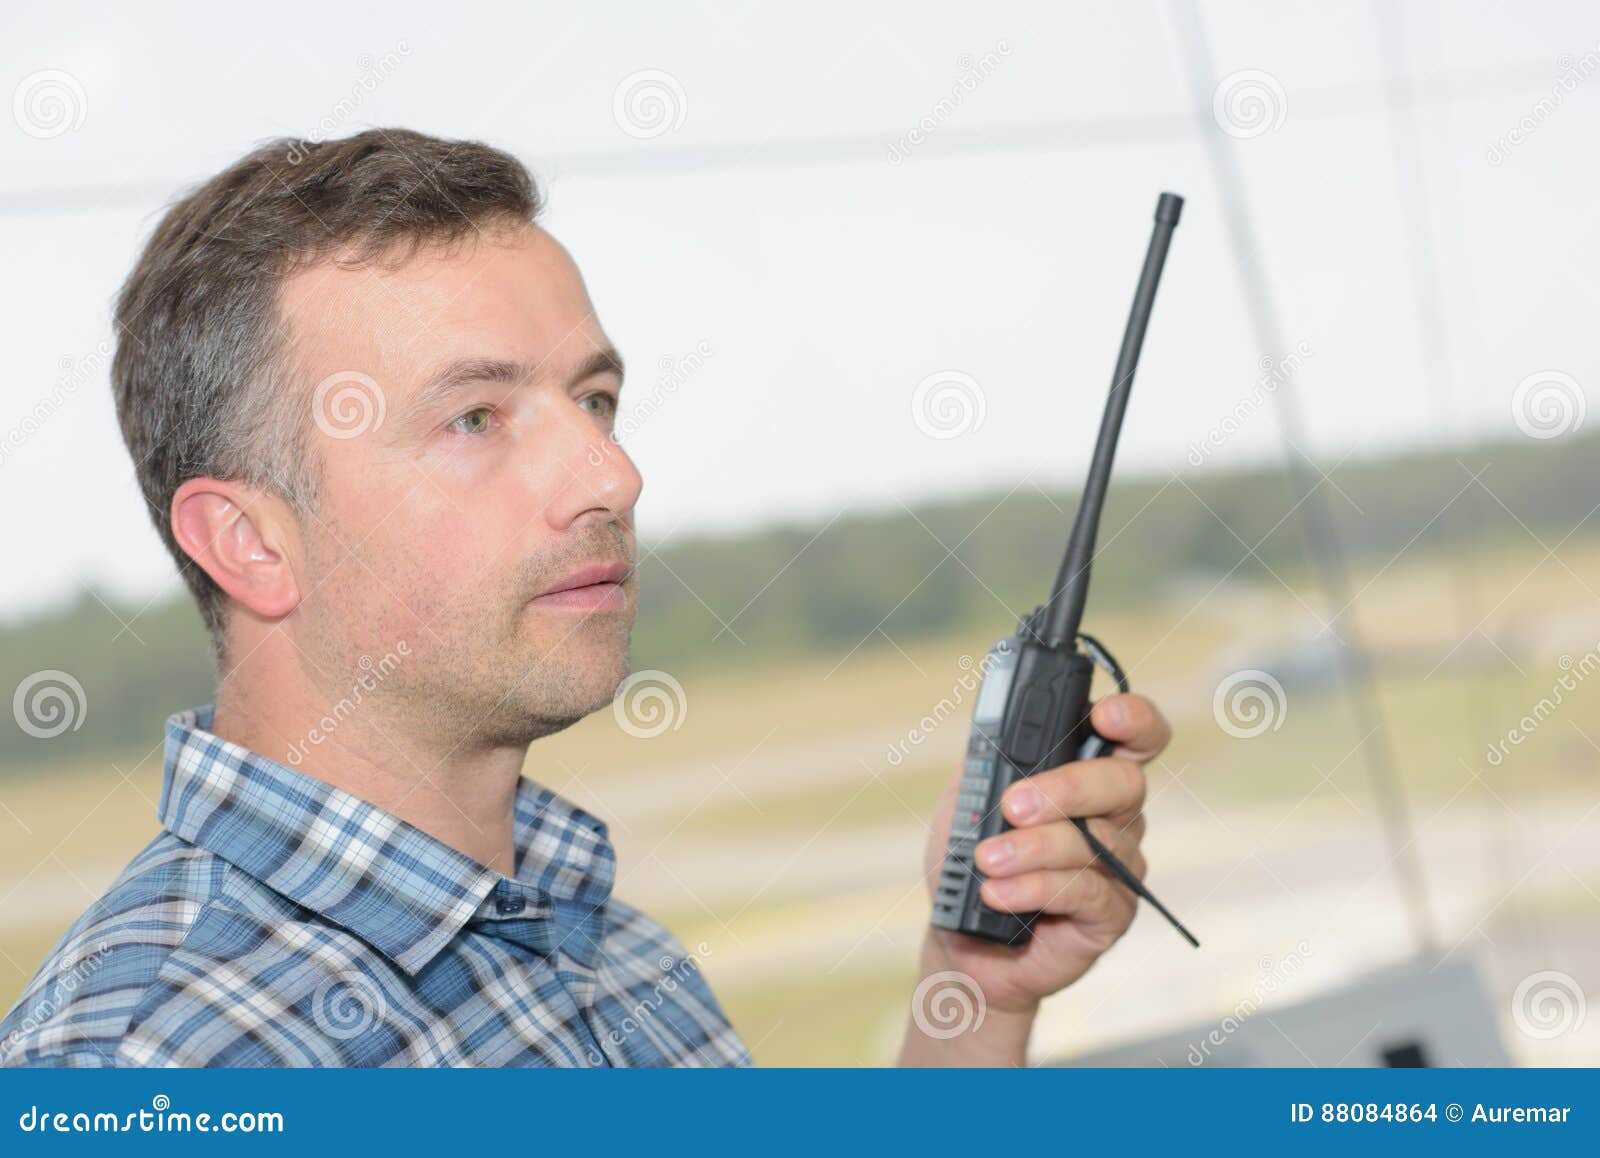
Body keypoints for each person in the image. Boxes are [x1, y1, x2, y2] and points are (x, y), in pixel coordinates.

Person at [0, 129, 1168, 1068]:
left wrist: (973, 992)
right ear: (250, 544)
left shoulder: (604, 949)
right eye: (474, 418)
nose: (612, 477)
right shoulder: (152, 1066)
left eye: (595, 400)